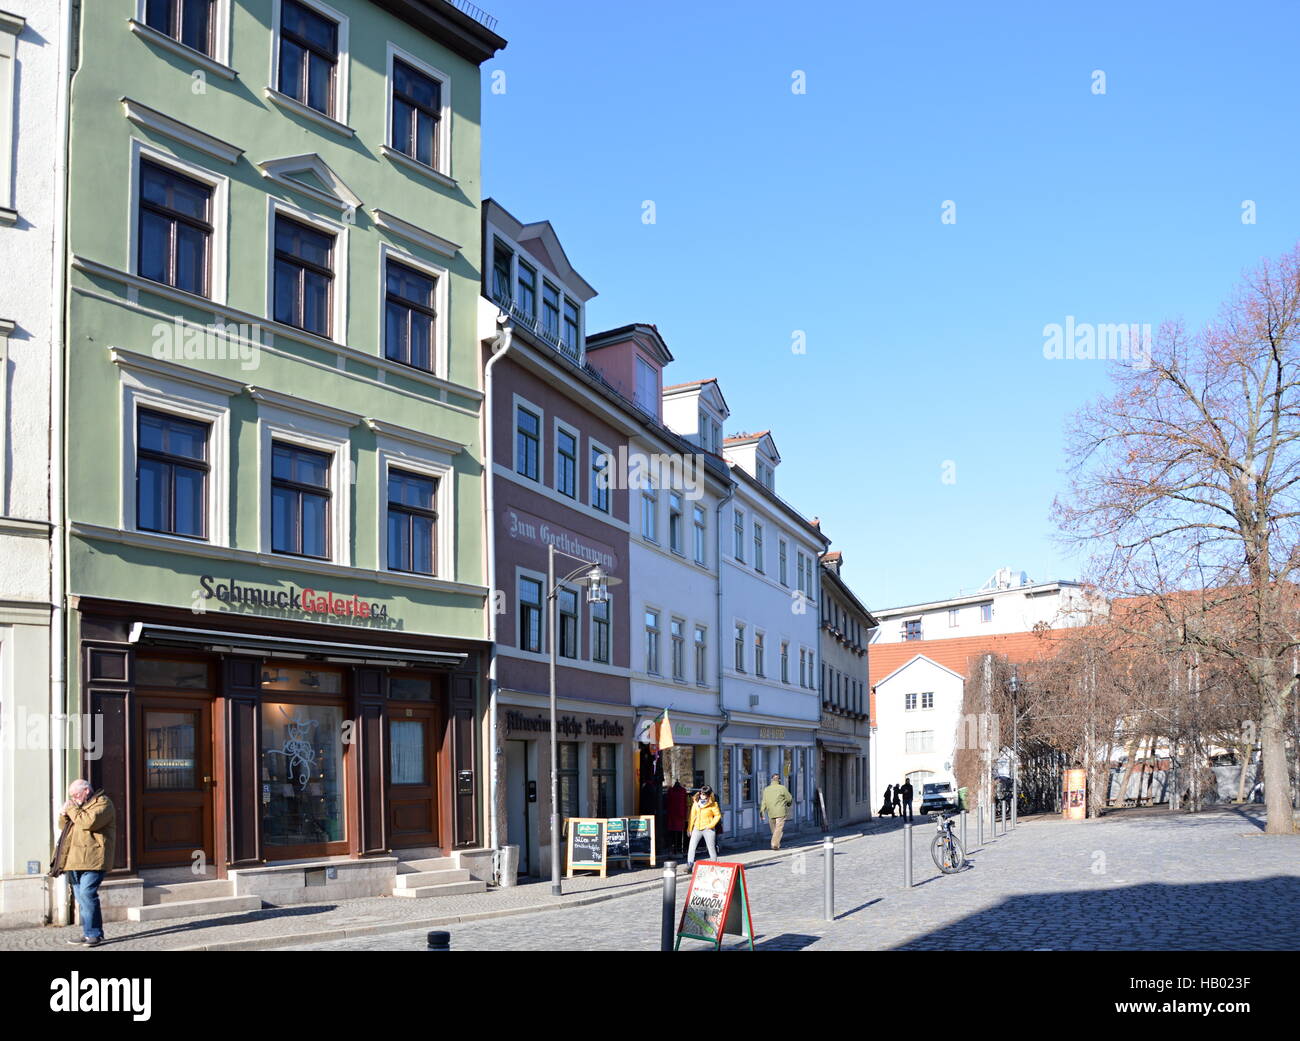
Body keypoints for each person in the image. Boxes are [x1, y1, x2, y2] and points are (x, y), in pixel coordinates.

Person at [52, 779, 116, 947]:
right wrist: (63, 814)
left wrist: (71, 808)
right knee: (82, 898)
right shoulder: (77, 808)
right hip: (74, 859)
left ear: (86, 791)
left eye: (76, 794)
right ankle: (88, 933)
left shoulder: (103, 803)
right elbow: (62, 826)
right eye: (71, 796)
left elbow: (89, 822)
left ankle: (95, 934)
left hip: (93, 859)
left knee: (88, 894)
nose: (74, 798)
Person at [685, 785, 721, 867]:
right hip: (697, 828)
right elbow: (692, 816)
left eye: (704, 794)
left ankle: (714, 865)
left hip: (708, 829)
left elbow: (718, 815)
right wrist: (689, 829)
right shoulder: (696, 802)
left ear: (708, 795)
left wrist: (711, 825)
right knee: (692, 847)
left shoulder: (713, 804)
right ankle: (689, 865)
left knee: (711, 848)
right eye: (701, 793)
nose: (702, 795)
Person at [759, 773, 794, 850]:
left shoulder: (766, 789)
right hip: (780, 812)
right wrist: (788, 804)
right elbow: (789, 798)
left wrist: (762, 812)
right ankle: (775, 844)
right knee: (778, 829)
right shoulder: (782, 788)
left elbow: (764, 802)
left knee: (774, 830)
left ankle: (776, 844)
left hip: (770, 813)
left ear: (771, 780)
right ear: (779, 780)